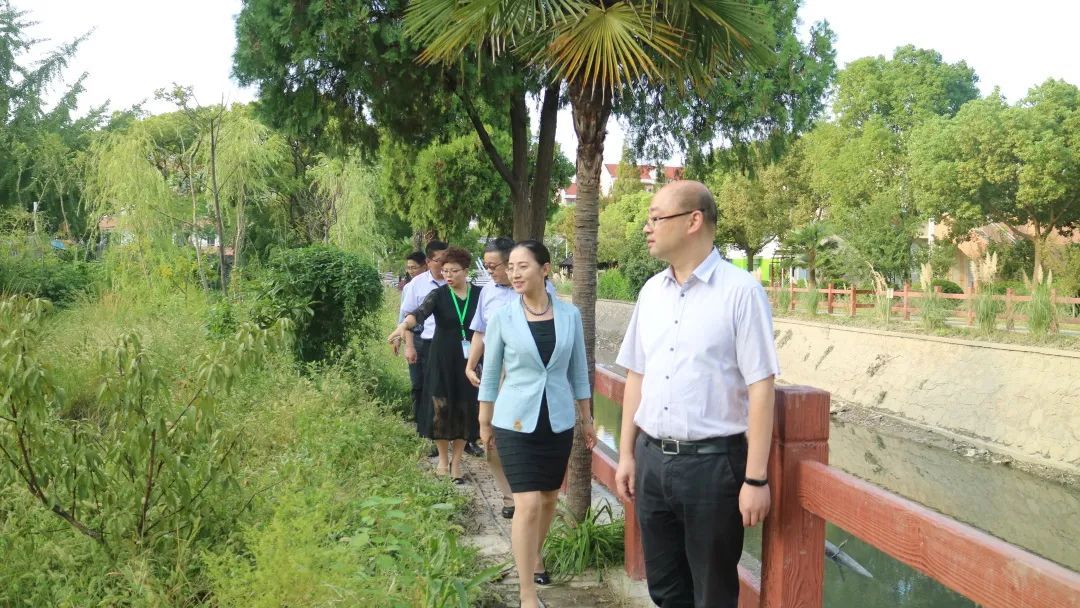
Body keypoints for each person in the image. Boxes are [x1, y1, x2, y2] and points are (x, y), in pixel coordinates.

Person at [613, 180, 780, 608]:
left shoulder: (741, 291)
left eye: (656, 217)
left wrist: (755, 478)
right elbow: (637, 375)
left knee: (712, 593)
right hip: (652, 461)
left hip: (712, 468)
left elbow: (761, 388)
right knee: (666, 588)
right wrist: (628, 454)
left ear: (694, 221)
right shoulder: (651, 292)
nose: (647, 227)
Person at [477, 240, 596, 608]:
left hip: (557, 421)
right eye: (510, 267)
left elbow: (578, 372)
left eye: (522, 266)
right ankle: (527, 593)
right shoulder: (503, 318)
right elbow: (491, 372)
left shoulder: (569, 316)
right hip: (514, 420)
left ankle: (532, 554)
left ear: (545, 269)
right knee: (527, 502)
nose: (513, 273)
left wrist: (587, 419)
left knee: (547, 500)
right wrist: (484, 421)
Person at [465, 237, 558, 519]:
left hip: (528, 371)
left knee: (524, 433)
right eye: (489, 266)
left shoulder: (544, 290)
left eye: (494, 266)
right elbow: (480, 332)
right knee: (491, 436)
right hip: (496, 372)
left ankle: (528, 494)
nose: (491, 271)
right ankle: (510, 495)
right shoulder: (487, 293)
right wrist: (470, 365)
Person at [388, 247, 480, 483]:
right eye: (445, 271)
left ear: (465, 271)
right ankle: (442, 458)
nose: (448, 275)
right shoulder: (438, 295)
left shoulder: (480, 295)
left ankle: (457, 462)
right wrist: (403, 327)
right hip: (441, 357)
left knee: (464, 406)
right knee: (441, 406)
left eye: (454, 271)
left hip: (470, 358)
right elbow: (418, 313)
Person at [397, 242, 447, 435]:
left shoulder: (455, 281)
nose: (443, 265)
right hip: (423, 341)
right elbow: (408, 316)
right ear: (428, 261)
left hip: (449, 343)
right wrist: (408, 346)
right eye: (439, 261)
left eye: (447, 260)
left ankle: (460, 436)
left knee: (448, 388)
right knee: (423, 386)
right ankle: (425, 431)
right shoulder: (416, 285)